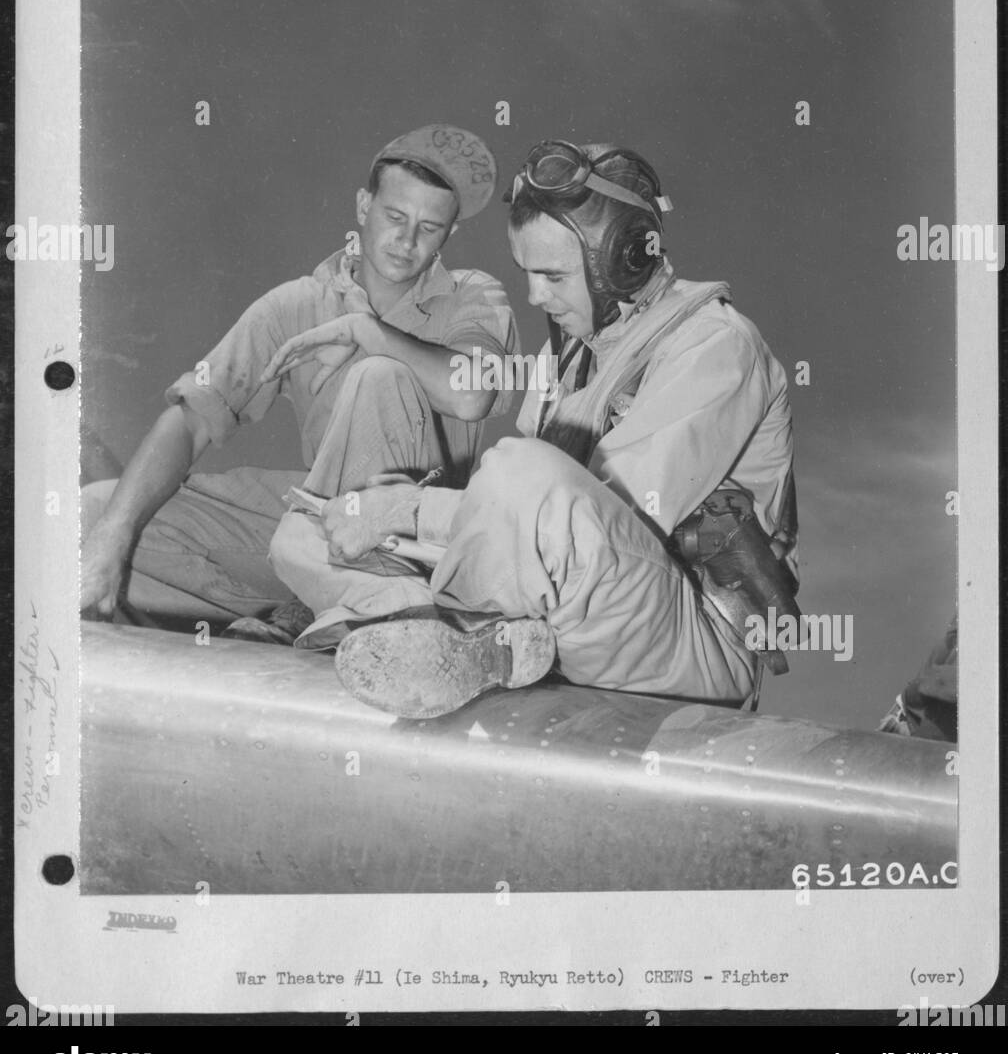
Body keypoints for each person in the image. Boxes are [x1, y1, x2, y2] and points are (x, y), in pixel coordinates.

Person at [271, 139, 800, 719]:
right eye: (527, 273)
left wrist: (405, 512)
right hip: (557, 614)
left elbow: (583, 517)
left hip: (686, 642)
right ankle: (428, 628)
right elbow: (512, 524)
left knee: (518, 469)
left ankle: (403, 619)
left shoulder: (716, 346)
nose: (533, 295)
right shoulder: (566, 357)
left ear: (625, 259)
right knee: (298, 534)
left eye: (552, 275)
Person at [80, 125, 518, 637]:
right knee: (94, 515)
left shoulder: (474, 297)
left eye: (429, 227)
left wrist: (367, 332)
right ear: (363, 206)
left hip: (422, 540)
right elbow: (191, 422)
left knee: (379, 376)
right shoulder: (296, 304)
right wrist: (112, 534)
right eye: (395, 217)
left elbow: (471, 395)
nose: (406, 240)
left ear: (450, 234)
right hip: (313, 530)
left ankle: (378, 614)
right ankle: (317, 606)